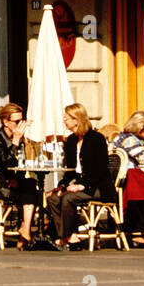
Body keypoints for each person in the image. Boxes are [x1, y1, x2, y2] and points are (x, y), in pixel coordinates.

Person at [46, 103, 109, 249]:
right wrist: (61, 186)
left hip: (97, 187)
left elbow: (101, 168)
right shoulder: (71, 141)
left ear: (76, 120)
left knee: (69, 198)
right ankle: (68, 236)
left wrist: (83, 185)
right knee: (53, 198)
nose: (64, 120)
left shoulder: (96, 139)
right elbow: (70, 171)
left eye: (67, 118)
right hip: (81, 186)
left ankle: (67, 237)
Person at [0, 102, 39, 249]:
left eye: (22, 121)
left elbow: (17, 164)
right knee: (31, 194)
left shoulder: (17, 138)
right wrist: (15, 140)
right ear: (6, 122)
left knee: (32, 185)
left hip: (11, 181)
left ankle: (25, 230)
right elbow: (6, 163)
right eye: (17, 121)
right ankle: (25, 232)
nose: (20, 125)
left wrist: (15, 178)